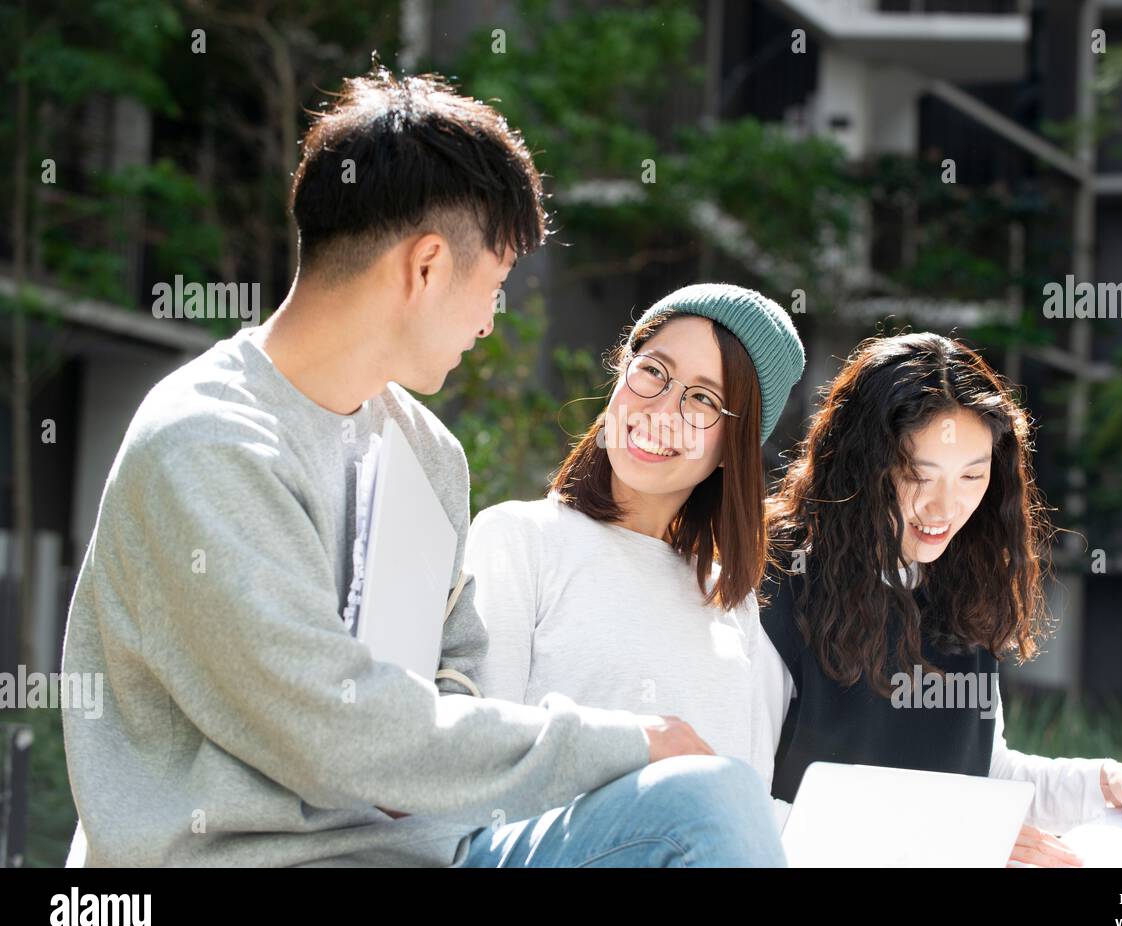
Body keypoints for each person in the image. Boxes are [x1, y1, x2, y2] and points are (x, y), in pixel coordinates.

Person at [58, 68, 784, 868]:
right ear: (427, 266)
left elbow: (457, 671)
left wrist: (437, 735)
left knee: (712, 800)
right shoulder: (207, 444)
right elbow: (332, 729)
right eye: (496, 285)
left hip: (432, 853)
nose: (487, 322)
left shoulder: (427, 452)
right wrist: (627, 743)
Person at [760, 331, 1122, 867]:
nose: (945, 506)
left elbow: (982, 775)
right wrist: (951, 840)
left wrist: (1102, 784)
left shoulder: (958, 591)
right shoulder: (769, 584)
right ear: (858, 466)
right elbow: (741, 809)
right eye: (917, 475)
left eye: (973, 475)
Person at [463, 284, 807, 844]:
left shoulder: (732, 605)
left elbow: (746, 812)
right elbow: (474, 752)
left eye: (702, 401)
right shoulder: (520, 539)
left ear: (734, 448)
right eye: (653, 372)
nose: (662, 413)